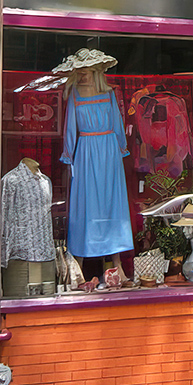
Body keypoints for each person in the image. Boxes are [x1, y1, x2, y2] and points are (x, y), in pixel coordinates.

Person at [53, 48, 134, 283]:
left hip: (109, 151)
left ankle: (118, 267)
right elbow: (70, 127)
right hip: (86, 151)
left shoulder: (109, 94)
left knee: (112, 205)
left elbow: (117, 122)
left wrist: (120, 147)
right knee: (85, 206)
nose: (82, 76)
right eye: (79, 72)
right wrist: (69, 155)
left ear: (96, 72)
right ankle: (77, 268)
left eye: (86, 72)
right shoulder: (75, 95)